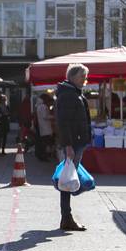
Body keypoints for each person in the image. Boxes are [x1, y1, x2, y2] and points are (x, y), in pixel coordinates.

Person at [55, 64, 91, 232]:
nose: (85, 79)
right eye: (83, 76)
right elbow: (64, 123)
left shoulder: (72, 92)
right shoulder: (69, 94)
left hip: (76, 142)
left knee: (69, 181)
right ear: (73, 77)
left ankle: (66, 217)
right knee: (68, 182)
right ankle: (66, 218)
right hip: (73, 143)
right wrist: (68, 145)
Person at [35, 93, 54, 162]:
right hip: (46, 127)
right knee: (45, 143)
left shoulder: (39, 106)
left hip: (43, 127)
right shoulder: (43, 107)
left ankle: (42, 155)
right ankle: (44, 156)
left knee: (43, 142)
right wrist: (53, 117)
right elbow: (45, 116)